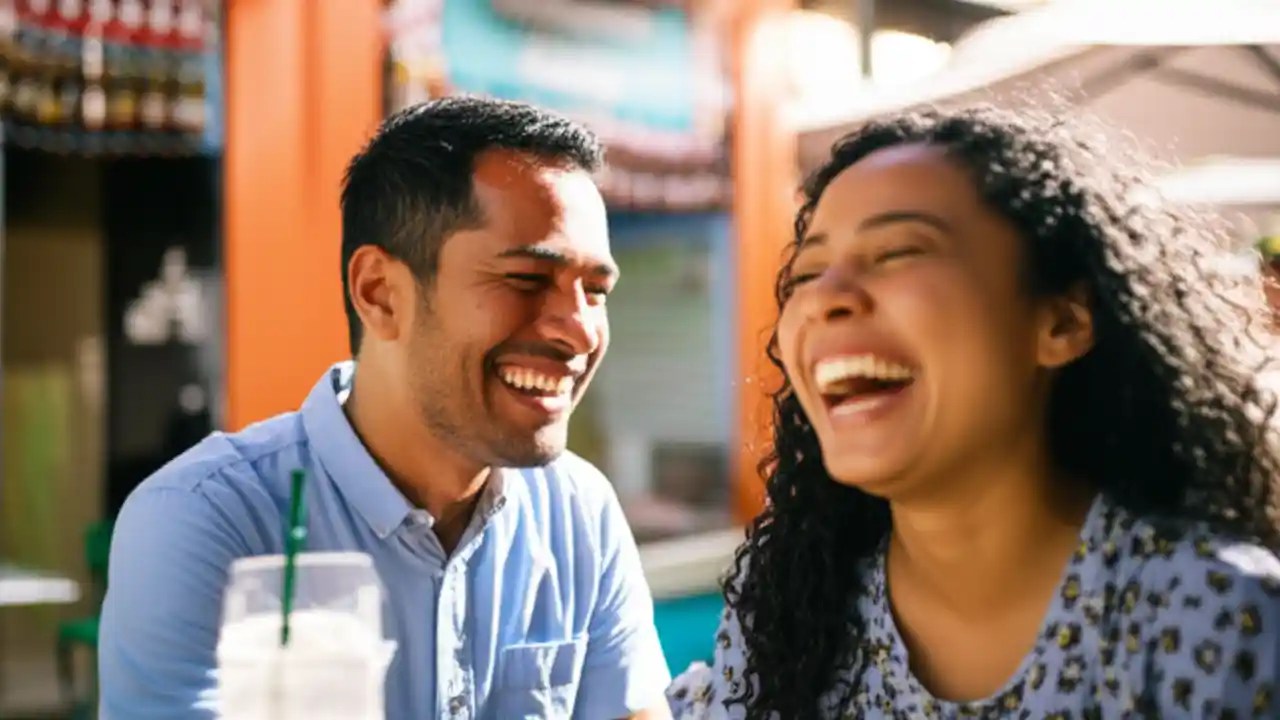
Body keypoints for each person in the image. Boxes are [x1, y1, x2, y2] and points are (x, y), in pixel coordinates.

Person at [667, 105, 1280, 719]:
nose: (825, 298)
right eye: (807, 272)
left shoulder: (1218, 619)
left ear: (1062, 321)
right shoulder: (788, 611)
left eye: (898, 251)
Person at [99, 97, 673, 720]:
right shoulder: (206, 519)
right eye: (526, 280)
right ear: (380, 294)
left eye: (596, 290)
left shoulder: (577, 512)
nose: (582, 331)